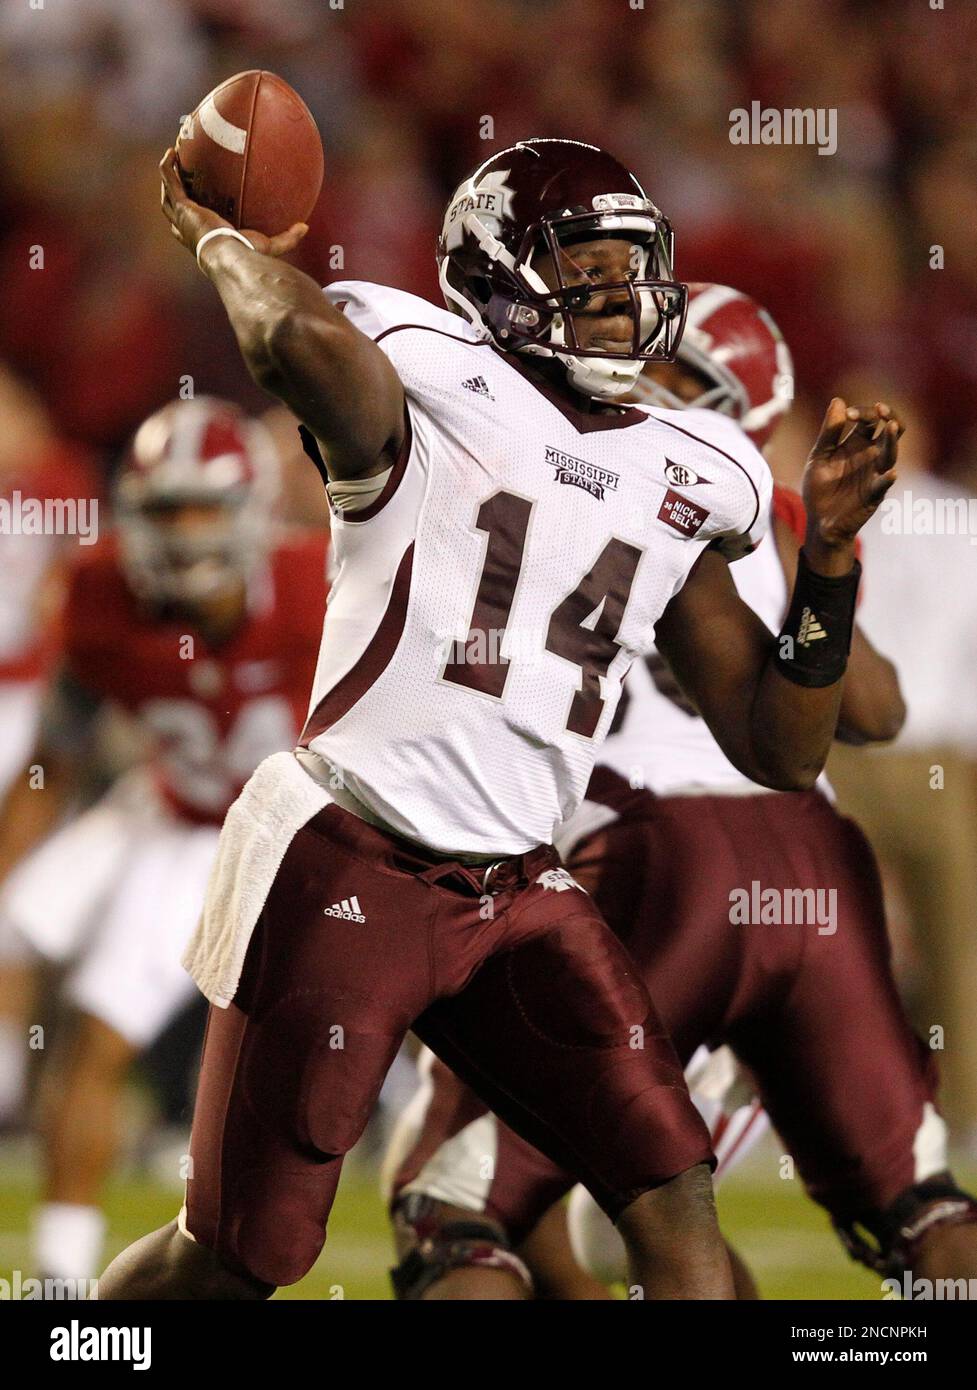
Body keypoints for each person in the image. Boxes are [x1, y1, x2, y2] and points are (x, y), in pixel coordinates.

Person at [100, 139, 897, 1301]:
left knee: (670, 1192)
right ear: (495, 274)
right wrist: (223, 239)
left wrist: (824, 561)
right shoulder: (422, 362)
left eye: (633, 266)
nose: (621, 298)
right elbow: (291, 338)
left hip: (519, 887)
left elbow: (778, 747)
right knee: (232, 1260)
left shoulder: (695, 463)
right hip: (350, 858)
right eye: (583, 268)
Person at [382, 286, 977, 1300]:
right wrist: (809, 579)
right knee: (913, 1201)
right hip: (810, 855)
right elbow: (872, 708)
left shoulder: (569, 467)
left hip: (654, 863)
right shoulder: (766, 516)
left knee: (454, 1207)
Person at [0, 396, 326, 1284]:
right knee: (93, 1032)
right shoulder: (100, 597)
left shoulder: (317, 591)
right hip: (179, 823)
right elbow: (58, 750)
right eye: (165, 510)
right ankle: (62, 1277)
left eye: (202, 508)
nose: (184, 535)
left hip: (298, 837)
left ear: (250, 509)